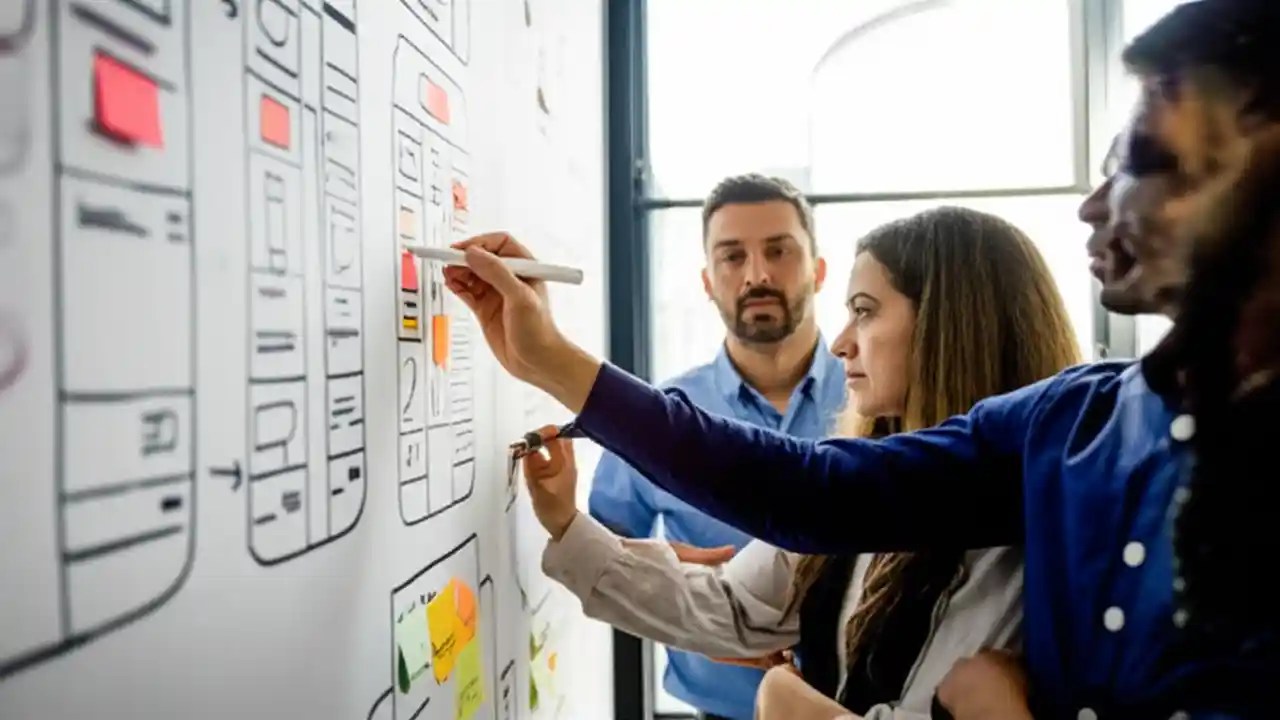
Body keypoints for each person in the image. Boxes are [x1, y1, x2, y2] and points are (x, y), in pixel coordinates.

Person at [443, 2, 1280, 715]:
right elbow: (812, 495)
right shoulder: (1069, 424)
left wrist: (793, 704)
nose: (1093, 208)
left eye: (1141, 161)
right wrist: (552, 363)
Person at [521, 207, 1081, 719]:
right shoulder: (870, 489)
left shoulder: (1024, 540)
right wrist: (568, 527)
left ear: (949, 327)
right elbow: (734, 607)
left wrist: (787, 702)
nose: (841, 344)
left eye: (864, 312)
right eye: (732, 255)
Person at [587, 173, 846, 720]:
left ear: (818, 270)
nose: (757, 274)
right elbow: (601, 550)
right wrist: (667, 575)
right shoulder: (660, 418)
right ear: (708, 280)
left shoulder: (879, 395)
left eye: (779, 251)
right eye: (732, 257)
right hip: (717, 711)